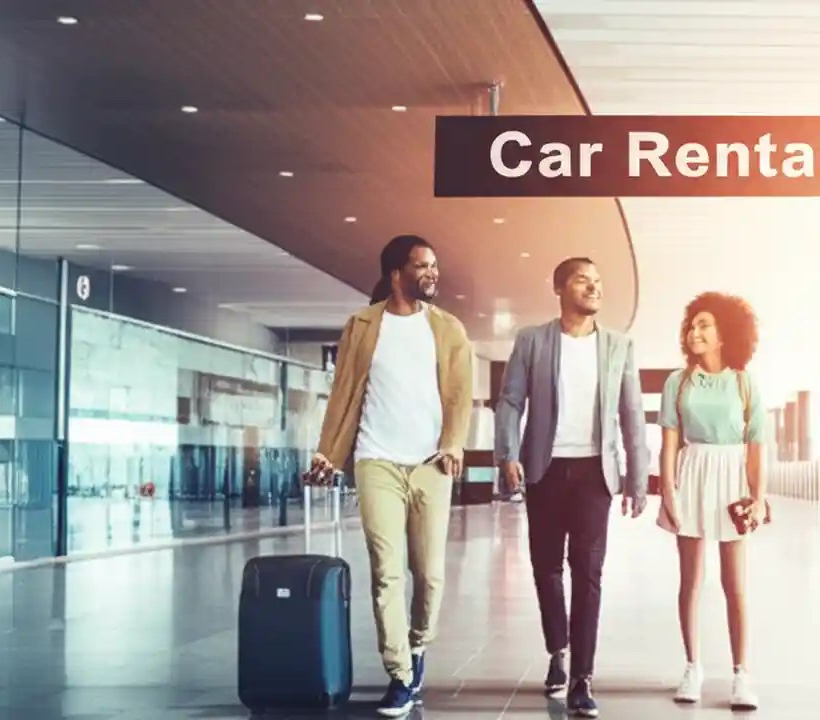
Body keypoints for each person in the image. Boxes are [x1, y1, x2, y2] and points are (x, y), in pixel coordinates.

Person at [307, 234, 474, 717]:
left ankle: (418, 646)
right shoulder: (362, 326)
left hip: (431, 466)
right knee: (386, 573)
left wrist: (454, 441)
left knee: (430, 574)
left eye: (434, 265)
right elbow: (344, 394)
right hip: (375, 460)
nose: (432, 273)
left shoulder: (447, 328)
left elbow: (460, 393)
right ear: (396, 273)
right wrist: (328, 454)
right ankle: (399, 675)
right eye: (423, 265)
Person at [494, 256, 650, 718]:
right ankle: (557, 651)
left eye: (599, 281)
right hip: (544, 469)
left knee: (588, 573)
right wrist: (507, 455)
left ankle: (582, 675)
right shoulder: (532, 340)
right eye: (583, 280)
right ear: (560, 288)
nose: (594, 287)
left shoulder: (619, 346)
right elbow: (509, 401)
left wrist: (637, 479)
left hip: (594, 475)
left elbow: (632, 415)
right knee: (546, 569)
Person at [656, 292, 766, 711]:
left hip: (731, 476)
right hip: (692, 472)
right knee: (691, 580)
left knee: (734, 583)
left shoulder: (745, 381)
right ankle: (693, 666)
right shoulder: (677, 381)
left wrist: (758, 499)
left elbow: (757, 446)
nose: (694, 332)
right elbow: (669, 442)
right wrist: (668, 490)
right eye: (692, 325)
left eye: (704, 325)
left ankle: (742, 674)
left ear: (725, 333)